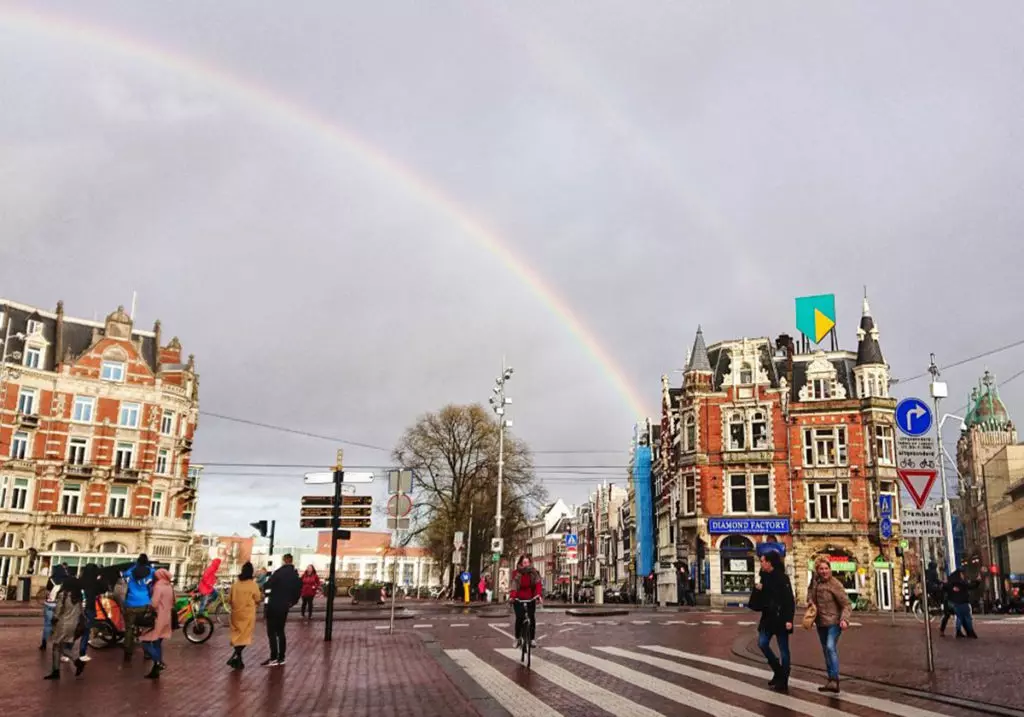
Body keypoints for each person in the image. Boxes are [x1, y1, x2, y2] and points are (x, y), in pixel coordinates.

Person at [808, 558, 852, 694]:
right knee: (825, 650)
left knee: (830, 646)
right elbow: (810, 593)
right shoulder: (815, 582)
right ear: (817, 570)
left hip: (834, 622)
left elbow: (846, 604)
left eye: (826, 568)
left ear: (830, 569)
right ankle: (830, 680)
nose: (824, 571)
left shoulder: (835, 584)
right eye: (821, 569)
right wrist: (809, 601)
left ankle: (834, 679)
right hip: (821, 622)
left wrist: (844, 619)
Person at [753, 551, 795, 693]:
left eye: (763, 561)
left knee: (784, 650)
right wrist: (757, 590)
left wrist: (789, 619)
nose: (761, 563)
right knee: (762, 643)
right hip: (768, 618)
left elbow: (789, 600)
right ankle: (778, 670)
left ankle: (784, 679)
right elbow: (757, 603)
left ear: (770, 562)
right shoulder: (763, 577)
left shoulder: (782, 578)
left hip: (781, 618)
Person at [43, 574, 86, 680]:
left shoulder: (64, 594)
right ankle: (77, 661)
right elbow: (81, 611)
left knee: (56, 646)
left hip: (63, 623)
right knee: (61, 646)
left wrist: (53, 620)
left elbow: (58, 611)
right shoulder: (78, 596)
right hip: (74, 624)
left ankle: (56, 671)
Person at [262, 553, 302, 667]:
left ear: (284, 560)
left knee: (271, 631)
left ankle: (273, 657)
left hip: (274, 604)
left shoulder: (279, 573)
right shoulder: (294, 575)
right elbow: (298, 590)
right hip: (284, 606)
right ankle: (282, 657)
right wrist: (291, 602)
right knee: (280, 631)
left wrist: (266, 590)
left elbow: (268, 585)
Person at [139, 568, 174, 679]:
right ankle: (156, 671)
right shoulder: (169, 587)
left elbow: (154, 603)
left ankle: (158, 662)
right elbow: (174, 601)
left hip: (157, 617)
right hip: (167, 617)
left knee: (145, 641)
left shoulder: (158, 586)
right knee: (157, 643)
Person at [227, 562, 262, 669]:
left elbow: (229, 599)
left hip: (236, 613)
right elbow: (257, 598)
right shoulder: (253, 585)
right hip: (248, 613)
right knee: (245, 636)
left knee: (237, 635)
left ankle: (239, 660)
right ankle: (235, 656)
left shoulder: (235, 584)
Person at [121, 554, 155, 662]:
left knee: (129, 628)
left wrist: (134, 566)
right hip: (145, 603)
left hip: (131, 603)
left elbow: (124, 574)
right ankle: (147, 652)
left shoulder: (131, 571)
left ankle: (128, 652)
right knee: (145, 628)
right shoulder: (151, 571)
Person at [508, 555, 543, 649]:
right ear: (520, 563)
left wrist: (538, 595)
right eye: (524, 562)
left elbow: (538, 584)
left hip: (530, 598)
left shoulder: (534, 573)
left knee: (531, 618)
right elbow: (514, 586)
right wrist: (512, 597)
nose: (526, 564)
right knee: (519, 618)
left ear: (530, 563)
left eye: (527, 562)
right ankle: (517, 638)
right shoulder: (516, 573)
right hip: (518, 598)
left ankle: (532, 639)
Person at [78, 563, 107, 663]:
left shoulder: (79, 581)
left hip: (76, 608)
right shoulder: (95, 583)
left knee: (74, 631)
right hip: (88, 608)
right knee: (86, 631)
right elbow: (104, 588)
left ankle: (66, 651)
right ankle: (82, 653)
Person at [40, 564, 68, 651]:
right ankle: (57, 644)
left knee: (47, 625)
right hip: (60, 606)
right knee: (60, 626)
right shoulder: (66, 580)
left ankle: (44, 643)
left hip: (49, 604)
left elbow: (47, 592)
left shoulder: (51, 579)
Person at [947, 569, 980, 639]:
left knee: (959, 617)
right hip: (963, 603)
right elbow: (971, 586)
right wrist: (977, 582)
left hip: (956, 603)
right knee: (967, 617)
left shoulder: (952, 584)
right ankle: (970, 631)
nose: (963, 575)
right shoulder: (962, 583)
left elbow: (946, 588)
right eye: (962, 574)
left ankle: (958, 631)